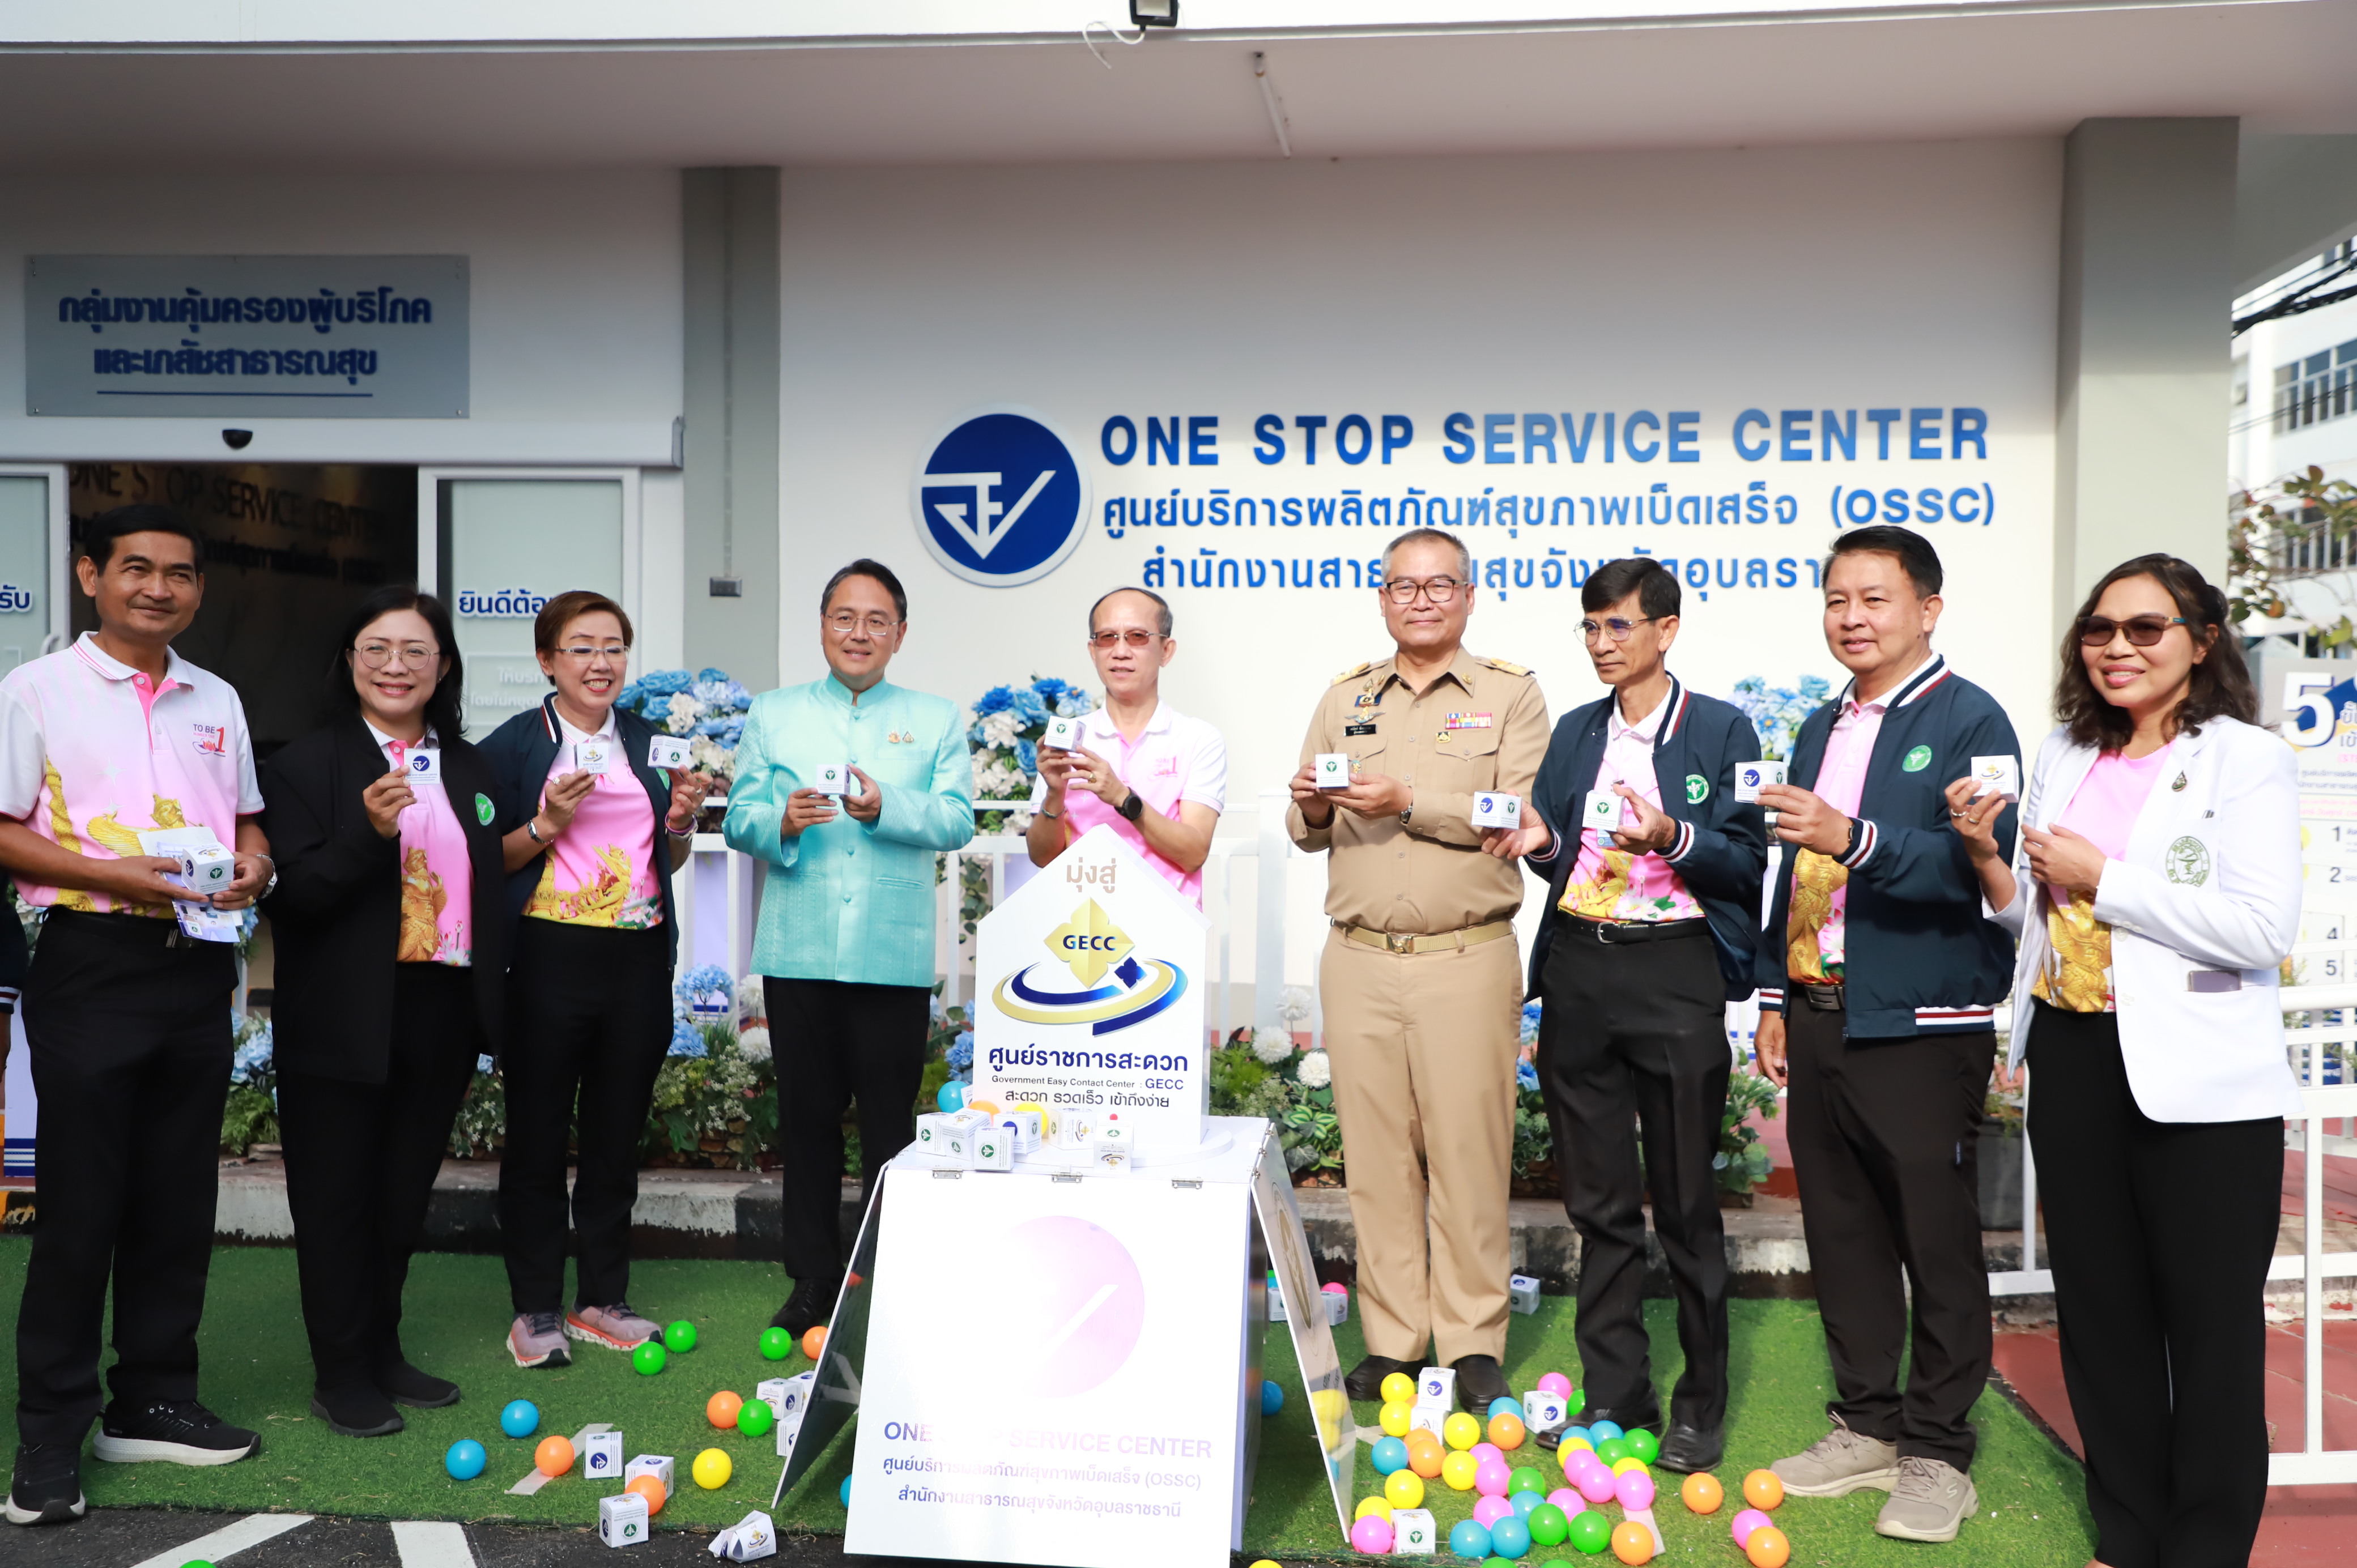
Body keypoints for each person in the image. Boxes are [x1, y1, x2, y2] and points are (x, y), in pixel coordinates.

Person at [1948, 555, 2296, 1568]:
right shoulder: (2066, 751)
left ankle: (2205, 1545)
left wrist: (2111, 877)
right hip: (2075, 1054)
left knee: (2210, 1326)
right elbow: (2039, 917)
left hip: (2201, 1080)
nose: (2119, 647)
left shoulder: (2246, 759)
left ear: (2203, 638)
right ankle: (2130, 1534)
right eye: (2102, 629)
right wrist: (1990, 863)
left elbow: (2263, 925)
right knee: (2102, 1316)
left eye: (2147, 628)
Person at [0, 505, 273, 1527]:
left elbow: (242, 815)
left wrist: (257, 861)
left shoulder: (218, 696)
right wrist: (108, 870)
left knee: (174, 1198)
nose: (160, 588)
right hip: (93, 961)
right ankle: (48, 1437)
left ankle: (154, 1396)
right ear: (90, 575)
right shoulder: (35, 691)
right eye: (137, 569)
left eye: (180, 573)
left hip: (196, 964)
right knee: (82, 1210)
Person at [1752, 525, 2019, 1545]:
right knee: (1845, 1230)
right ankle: (1865, 1420)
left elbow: (1978, 871)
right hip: (1823, 1012)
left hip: (1920, 1022)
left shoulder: (1969, 717)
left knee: (1935, 1237)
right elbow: (1796, 867)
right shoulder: (1822, 723)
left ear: (1928, 609)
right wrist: (1776, 994)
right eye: (1836, 600)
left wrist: (1852, 836)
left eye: (1875, 599)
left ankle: (1939, 1449)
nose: (1852, 618)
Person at [1501, 556, 1765, 1473]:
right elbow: (1561, 846)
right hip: (1579, 968)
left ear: (1666, 629)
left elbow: (1745, 856)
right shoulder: (1575, 732)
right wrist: (1539, 842)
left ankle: (1699, 1404)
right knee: (1600, 1203)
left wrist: (1672, 835)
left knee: (1689, 1201)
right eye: (1591, 626)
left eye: (1619, 626)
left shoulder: (1724, 727)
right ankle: (1616, 1394)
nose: (1602, 643)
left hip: (1676, 972)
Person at [1287, 526, 1547, 1414]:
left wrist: (1409, 801)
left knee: (1470, 1155)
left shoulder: (1510, 696)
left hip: (1464, 956)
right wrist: (1312, 805)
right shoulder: (1346, 696)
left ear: (1469, 597)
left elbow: (1511, 810)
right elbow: (1305, 827)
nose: (1423, 599)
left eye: (1441, 586)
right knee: (1376, 1161)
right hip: (1357, 958)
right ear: (1384, 597)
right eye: (1404, 586)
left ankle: (1472, 1340)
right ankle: (1394, 1342)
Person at [259, 587, 508, 1437]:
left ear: (444, 668)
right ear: (350, 662)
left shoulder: (468, 766)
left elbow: (488, 879)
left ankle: (382, 1349)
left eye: (416, 651)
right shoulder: (304, 764)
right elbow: (291, 901)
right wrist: (365, 834)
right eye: (377, 649)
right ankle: (340, 1373)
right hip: (341, 1015)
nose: (396, 666)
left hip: (440, 1007)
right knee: (336, 1200)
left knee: (403, 1196)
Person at [724, 559, 976, 1338]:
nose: (858, 633)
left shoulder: (935, 719)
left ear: (900, 633)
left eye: (876, 620)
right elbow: (738, 818)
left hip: (890, 953)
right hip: (799, 949)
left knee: (889, 1127)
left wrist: (885, 807)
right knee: (805, 1122)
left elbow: (958, 820)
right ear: (822, 625)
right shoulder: (773, 713)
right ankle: (812, 1280)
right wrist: (784, 823)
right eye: (843, 617)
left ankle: (888, 1276)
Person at [478, 591, 712, 1369]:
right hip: (545, 957)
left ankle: (602, 1299)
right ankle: (535, 1308)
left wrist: (680, 822)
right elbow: (482, 865)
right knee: (539, 1137)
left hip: (637, 958)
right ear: (547, 661)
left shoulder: (652, 744)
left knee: (616, 1137)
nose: (600, 663)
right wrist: (545, 824)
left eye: (613, 647)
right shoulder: (511, 749)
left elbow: (663, 860)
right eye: (581, 648)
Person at [1026, 586, 1226, 902]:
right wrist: (1054, 793)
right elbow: (1042, 857)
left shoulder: (1197, 738)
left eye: (1137, 636)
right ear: (1093, 651)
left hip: (1168, 931)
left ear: (1167, 651)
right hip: (1081, 931)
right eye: (1107, 638)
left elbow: (1193, 853)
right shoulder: (1070, 738)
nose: (1120, 651)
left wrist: (1121, 797)